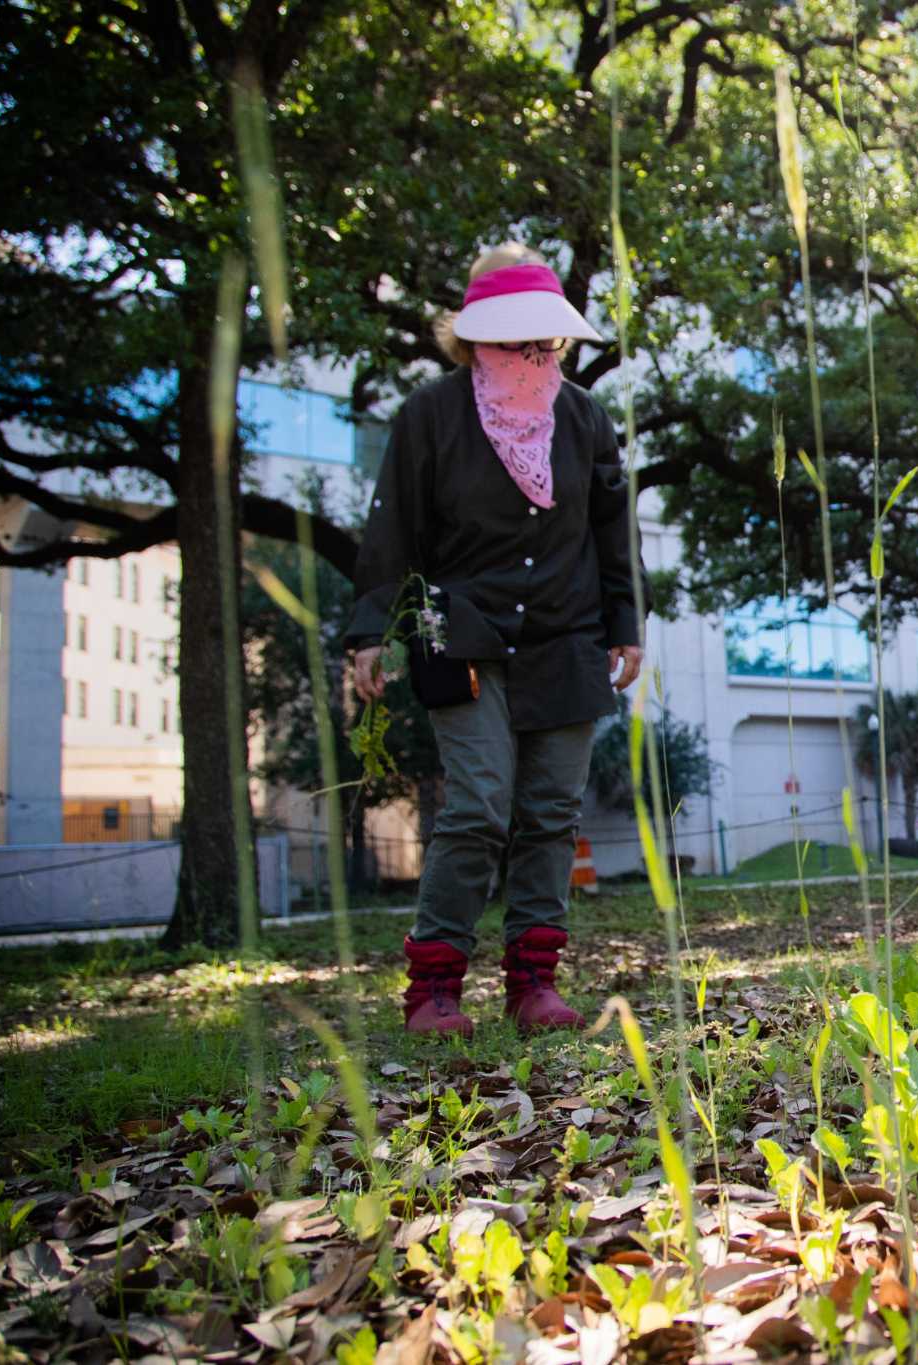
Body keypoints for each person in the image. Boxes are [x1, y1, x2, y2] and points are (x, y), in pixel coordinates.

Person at [345, 244, 644, 1038]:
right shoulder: (430, 416)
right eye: (514, 339)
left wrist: (626, 624)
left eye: (545, 340)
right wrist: (369, 633)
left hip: (567, 641)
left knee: (549, 811)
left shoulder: (583, 417)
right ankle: (435, 988)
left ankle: (532, 984)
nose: (532, 354)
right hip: (462, 638)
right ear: (474, 340)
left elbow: (614, 531)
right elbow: (392, 529)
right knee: (478, 806)